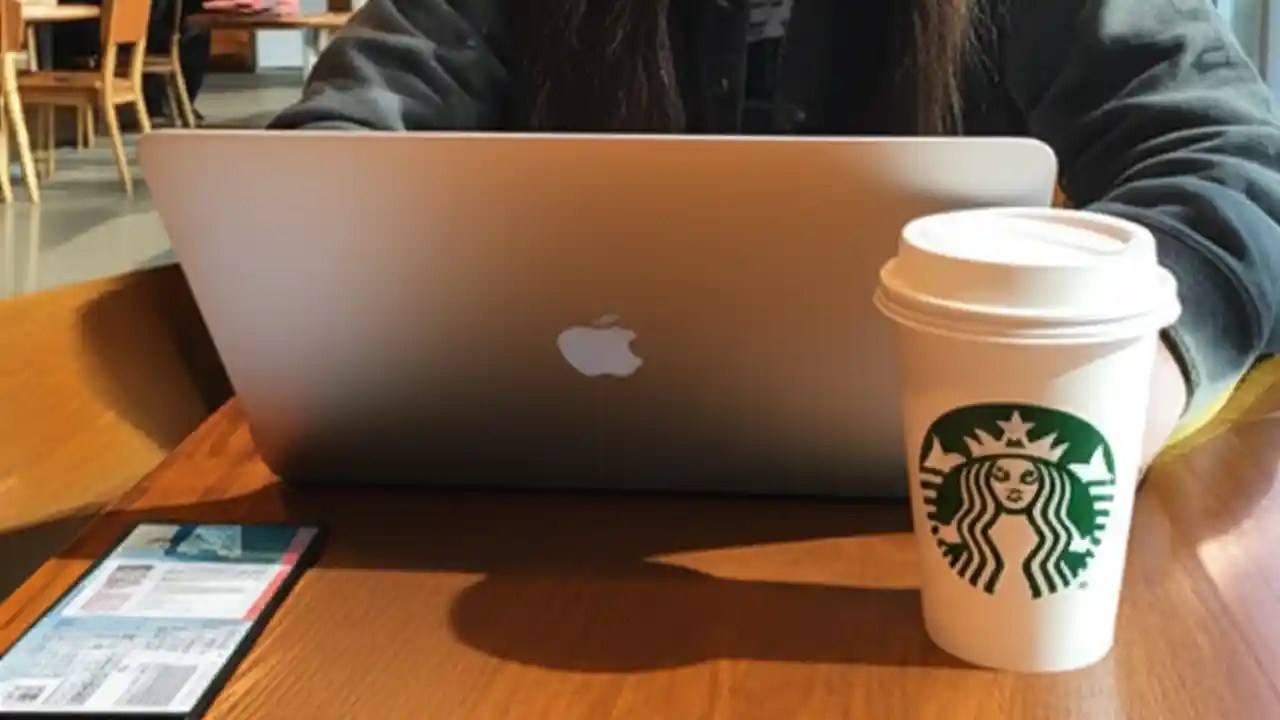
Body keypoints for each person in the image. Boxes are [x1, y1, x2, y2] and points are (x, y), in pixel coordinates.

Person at [269, 0, 1280, 467]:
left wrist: (1131, 362)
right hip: (519, 505)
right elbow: (330, 158)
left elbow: (1240, 165)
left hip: (926, 519)